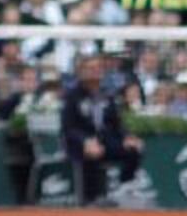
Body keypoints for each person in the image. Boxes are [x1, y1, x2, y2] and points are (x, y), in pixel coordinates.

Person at [61, 54, 144, 205]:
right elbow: (68, 128)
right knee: (92, 152)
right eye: (91, 68)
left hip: (105, 141)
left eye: (98, 68)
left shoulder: (107, 94)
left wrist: (127, 137)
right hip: (79, 144)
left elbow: (116, 124)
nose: (96, 71)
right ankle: (91, 198)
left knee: (133, 149)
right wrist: (85, 141)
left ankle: (124, 188)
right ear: (81, 71)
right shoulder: (72, 96)